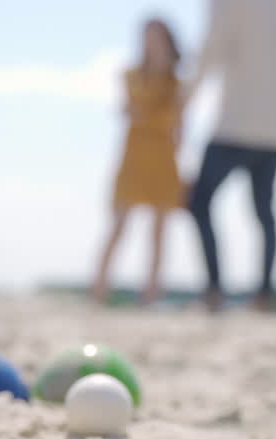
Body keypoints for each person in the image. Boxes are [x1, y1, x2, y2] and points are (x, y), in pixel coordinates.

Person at [185, 0, 276, 311]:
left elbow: (212, 47)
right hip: (275, 128)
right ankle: (264, 295)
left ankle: (214, 291)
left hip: (234, 124)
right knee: (265, 212)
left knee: (200, 202)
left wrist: (183, 98)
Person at [91, 18, 185, 307]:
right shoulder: (131, 74)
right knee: (119, 225)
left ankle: (151, 295)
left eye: (157, 37)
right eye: (147, 37)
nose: (151, 43)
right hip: (134, 157)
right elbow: (129, 110)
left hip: (164, 158)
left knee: (159, 231)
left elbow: (178, 125)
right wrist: (153, 114)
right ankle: (98, 291)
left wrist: (150, 114)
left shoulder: (178, 82)